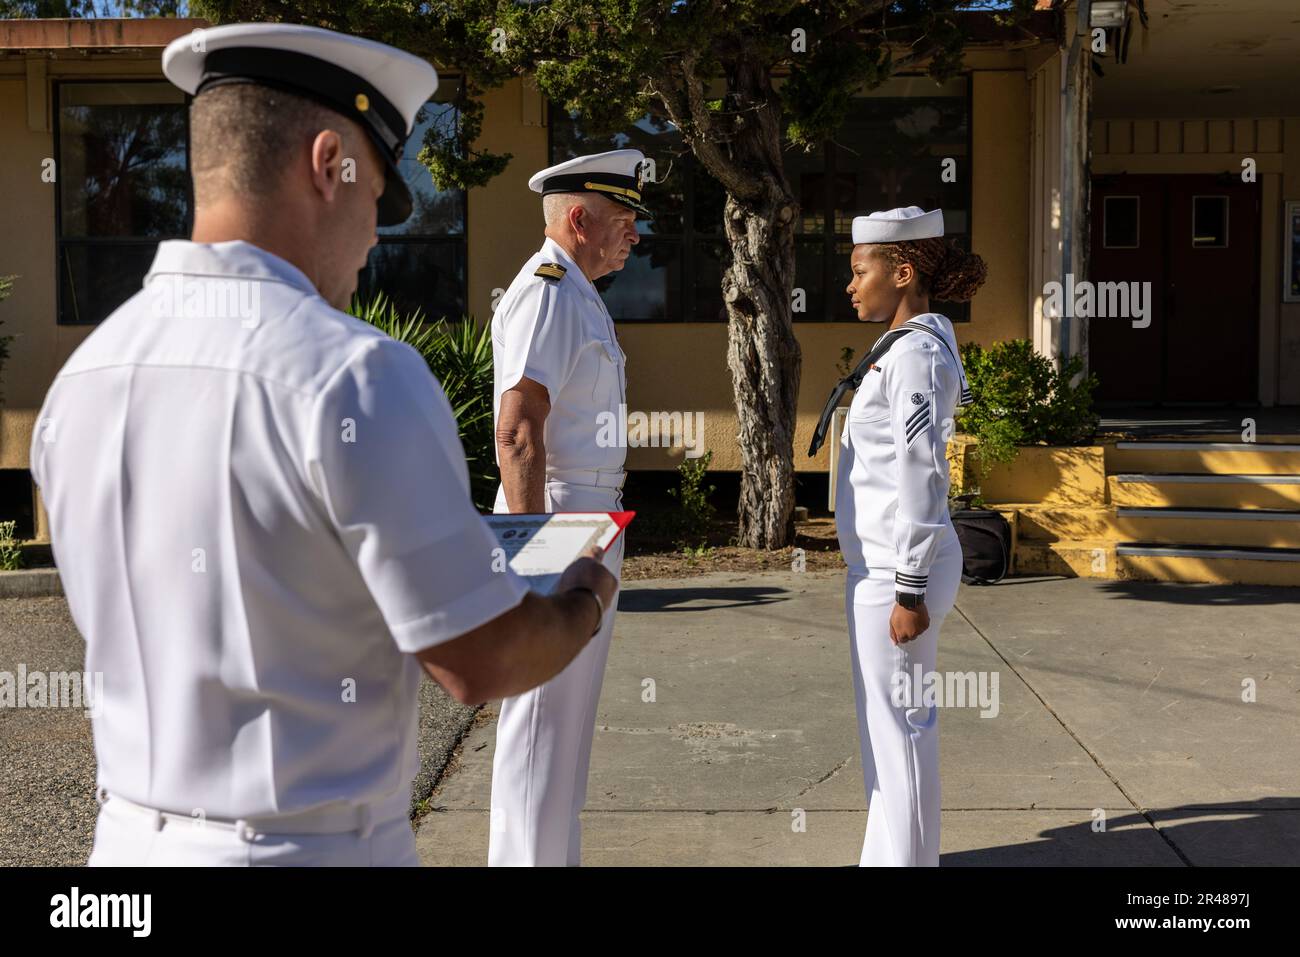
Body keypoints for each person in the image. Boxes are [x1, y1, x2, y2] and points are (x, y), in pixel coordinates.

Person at [28, 22, 615, 867]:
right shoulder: (357, 377)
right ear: (327, 161)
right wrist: (584, 597)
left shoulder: (83, 379)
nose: (376, 235)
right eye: (377, 194)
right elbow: (477, 660)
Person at [809, 205, 986, 866]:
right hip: (881, 569)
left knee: (905, 734)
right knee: (885, 736)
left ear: (903, 271)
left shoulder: (915, 357)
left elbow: (921, 471)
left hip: (899, 572)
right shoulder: (900, 350)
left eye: (860, 271)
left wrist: (909, 589)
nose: (850, 285)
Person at [487, 148, 649, 866]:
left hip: (587, 518)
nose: (635, 235)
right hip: (556, 519)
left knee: (565, 732)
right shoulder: (550, 289)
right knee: (539, 724)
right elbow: (519, 428)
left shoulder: (577, 292)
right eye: (625, 219)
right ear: (579, 218)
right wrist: (536, 554)